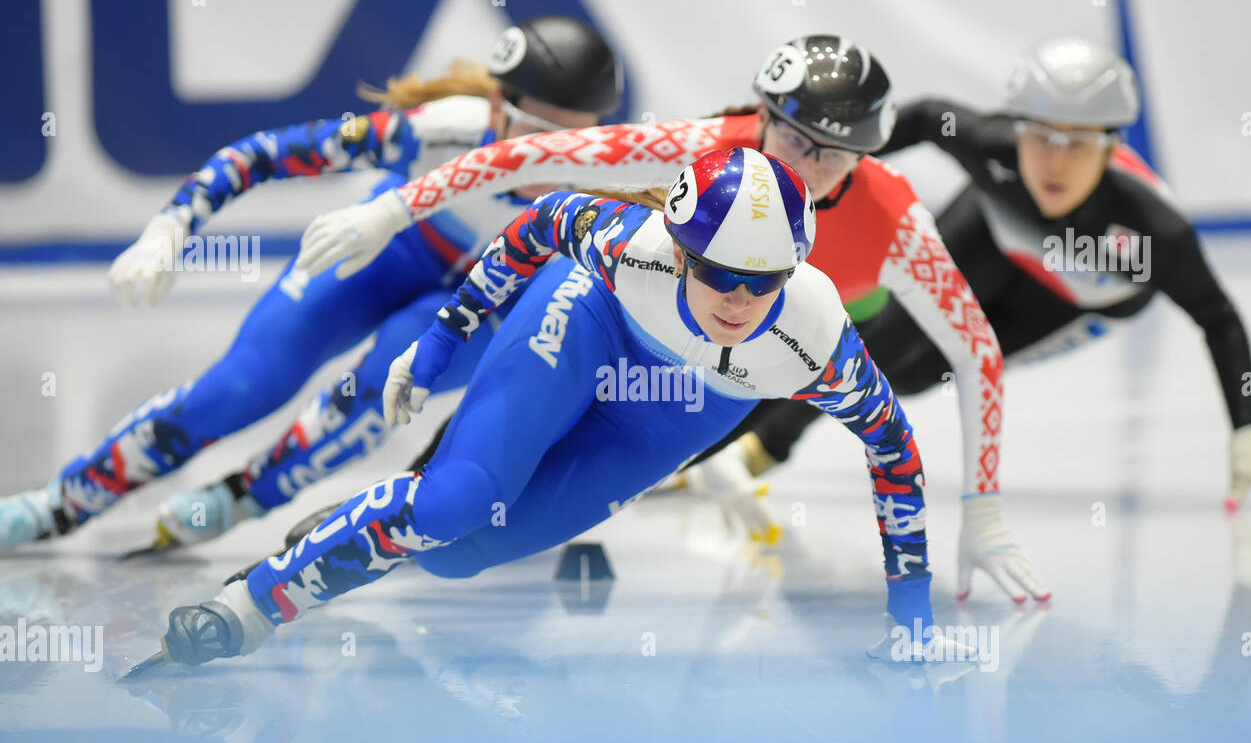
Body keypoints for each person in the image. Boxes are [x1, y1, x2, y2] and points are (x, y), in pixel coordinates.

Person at [289, 35, 1048, 603]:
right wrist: (393, 208)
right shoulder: (701, 149)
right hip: (612, 312)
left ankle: (427, 516)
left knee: (511, 516)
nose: (807, 168)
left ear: (869, 153)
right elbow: (531, 156)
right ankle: (402, 503)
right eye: (792, 139)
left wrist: (983, 510)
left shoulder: (897, 223)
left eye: (835, 154)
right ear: (762, 116)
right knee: (484, 461)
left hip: (718, 372)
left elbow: (975, 349)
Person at [137, 149, 955, 672]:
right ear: (677, 250)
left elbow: (895, 453)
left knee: (456, 555)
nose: (740, 300)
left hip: (677, 413)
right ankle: (250, 603)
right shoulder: (624, 244)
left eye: (764, 279)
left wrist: (910, 609)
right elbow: (532, 228)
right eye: (715, 272)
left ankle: (363, 521)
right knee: (455, 500)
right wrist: (441, 341)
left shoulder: (817, 336)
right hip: (588, 324)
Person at [0, 16, 623, 549]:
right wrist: (171, 225)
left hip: (485, 295)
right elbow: (266, 153)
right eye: (536, 136)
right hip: (394, 253)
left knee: (380, 384)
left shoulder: (613, 174)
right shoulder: (440, 129)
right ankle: (58, 502)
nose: (552, 158)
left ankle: (243, 498)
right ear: (493, 109)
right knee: (241, 385)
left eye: (576, 142)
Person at [854, 35, 1251, 516]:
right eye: (1041, 138)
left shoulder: (1154, 234)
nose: (1056, 163)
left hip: (1084, 293)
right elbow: (924, 118)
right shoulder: (994, 148)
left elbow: (1218, 317)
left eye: (1079, 144)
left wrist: (1246, 435)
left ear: (1110, 151)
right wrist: (834, 161)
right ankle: (764, 444)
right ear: (1018, 131)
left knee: (914, 377)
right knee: (882, 346)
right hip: (995, 229)